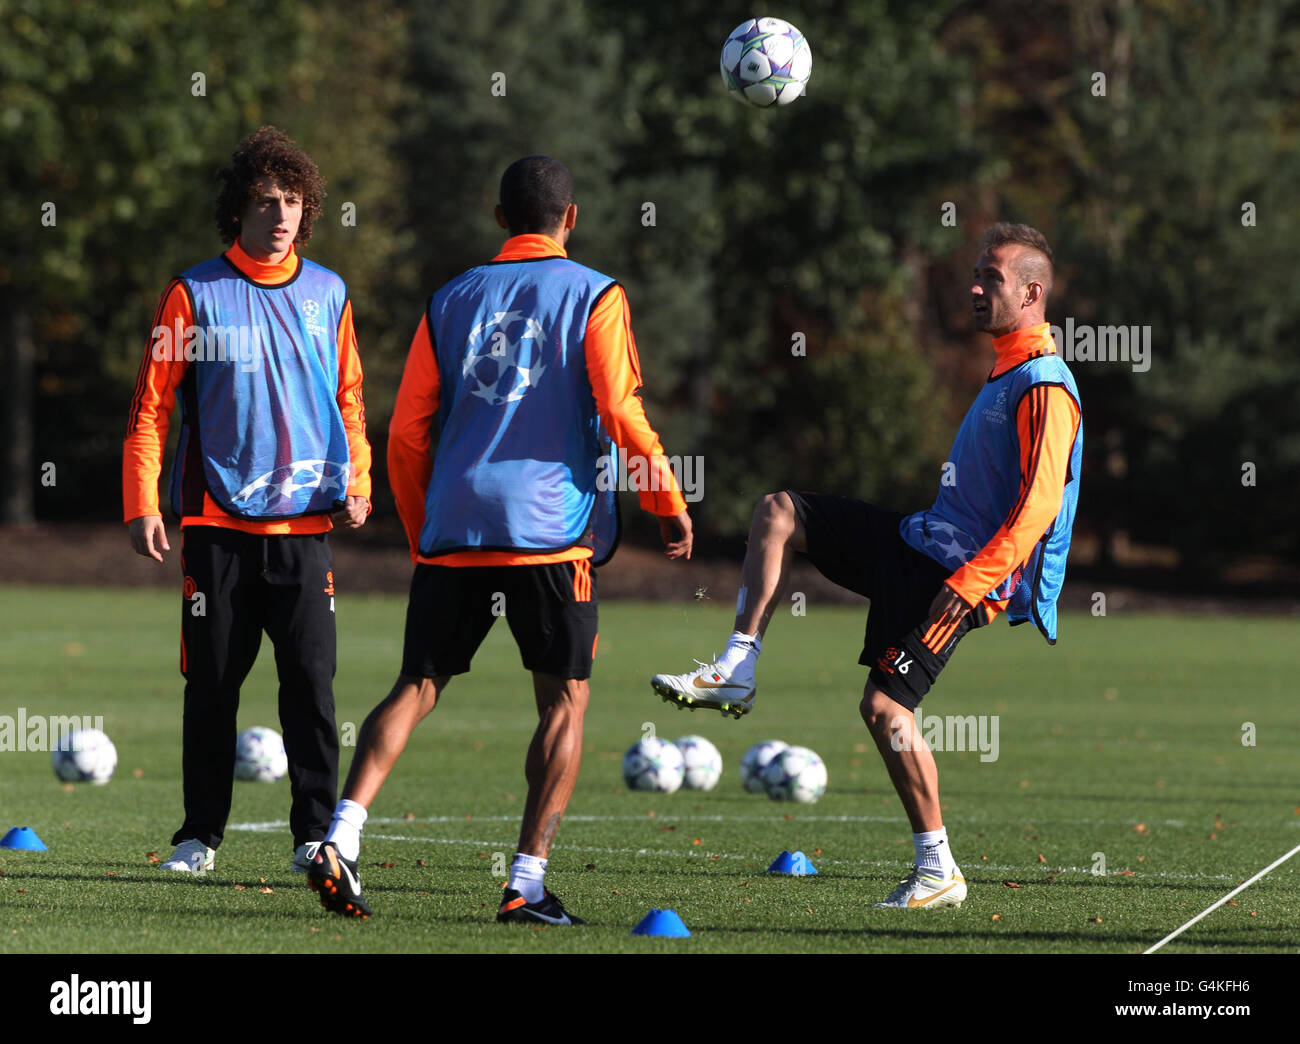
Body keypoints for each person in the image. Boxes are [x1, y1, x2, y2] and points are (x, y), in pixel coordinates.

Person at [651, 222, 1082, 909]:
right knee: (779, 513)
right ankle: (737, 666)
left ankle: (938, 869)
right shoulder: (1007, 365)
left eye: (990, 278)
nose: (974, 287)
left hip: (959, 582)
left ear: (1031, 292)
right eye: (976, 273)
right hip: (917, 541)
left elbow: (1037, 509)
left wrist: (971, 586)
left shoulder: (1045, 386)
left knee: (886, 709)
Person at [308, 155, 693, 922]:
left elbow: (410, 430)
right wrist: (666, 497)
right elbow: (619, 408)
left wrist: (425, 529)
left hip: (457, 525)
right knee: (564, 704)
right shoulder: (596, 294)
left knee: (417, 684)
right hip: (547, 535)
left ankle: (341, 835)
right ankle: (525, 883)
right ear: (571, 217)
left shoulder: (450, 298)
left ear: (498, 218)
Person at [123, 126, 372, 876]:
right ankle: (199, 836)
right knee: (213, 687)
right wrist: (143, 501)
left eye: (294, 200)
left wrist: (358, 481)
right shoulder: (194, 293)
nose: (283, 215)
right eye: (267, 201)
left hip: (304, 530)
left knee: (312, 689)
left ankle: (314, 836)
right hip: (216, 526)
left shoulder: (330, 293)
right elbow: (151, 408)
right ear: (240, 210)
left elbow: (350, 401)